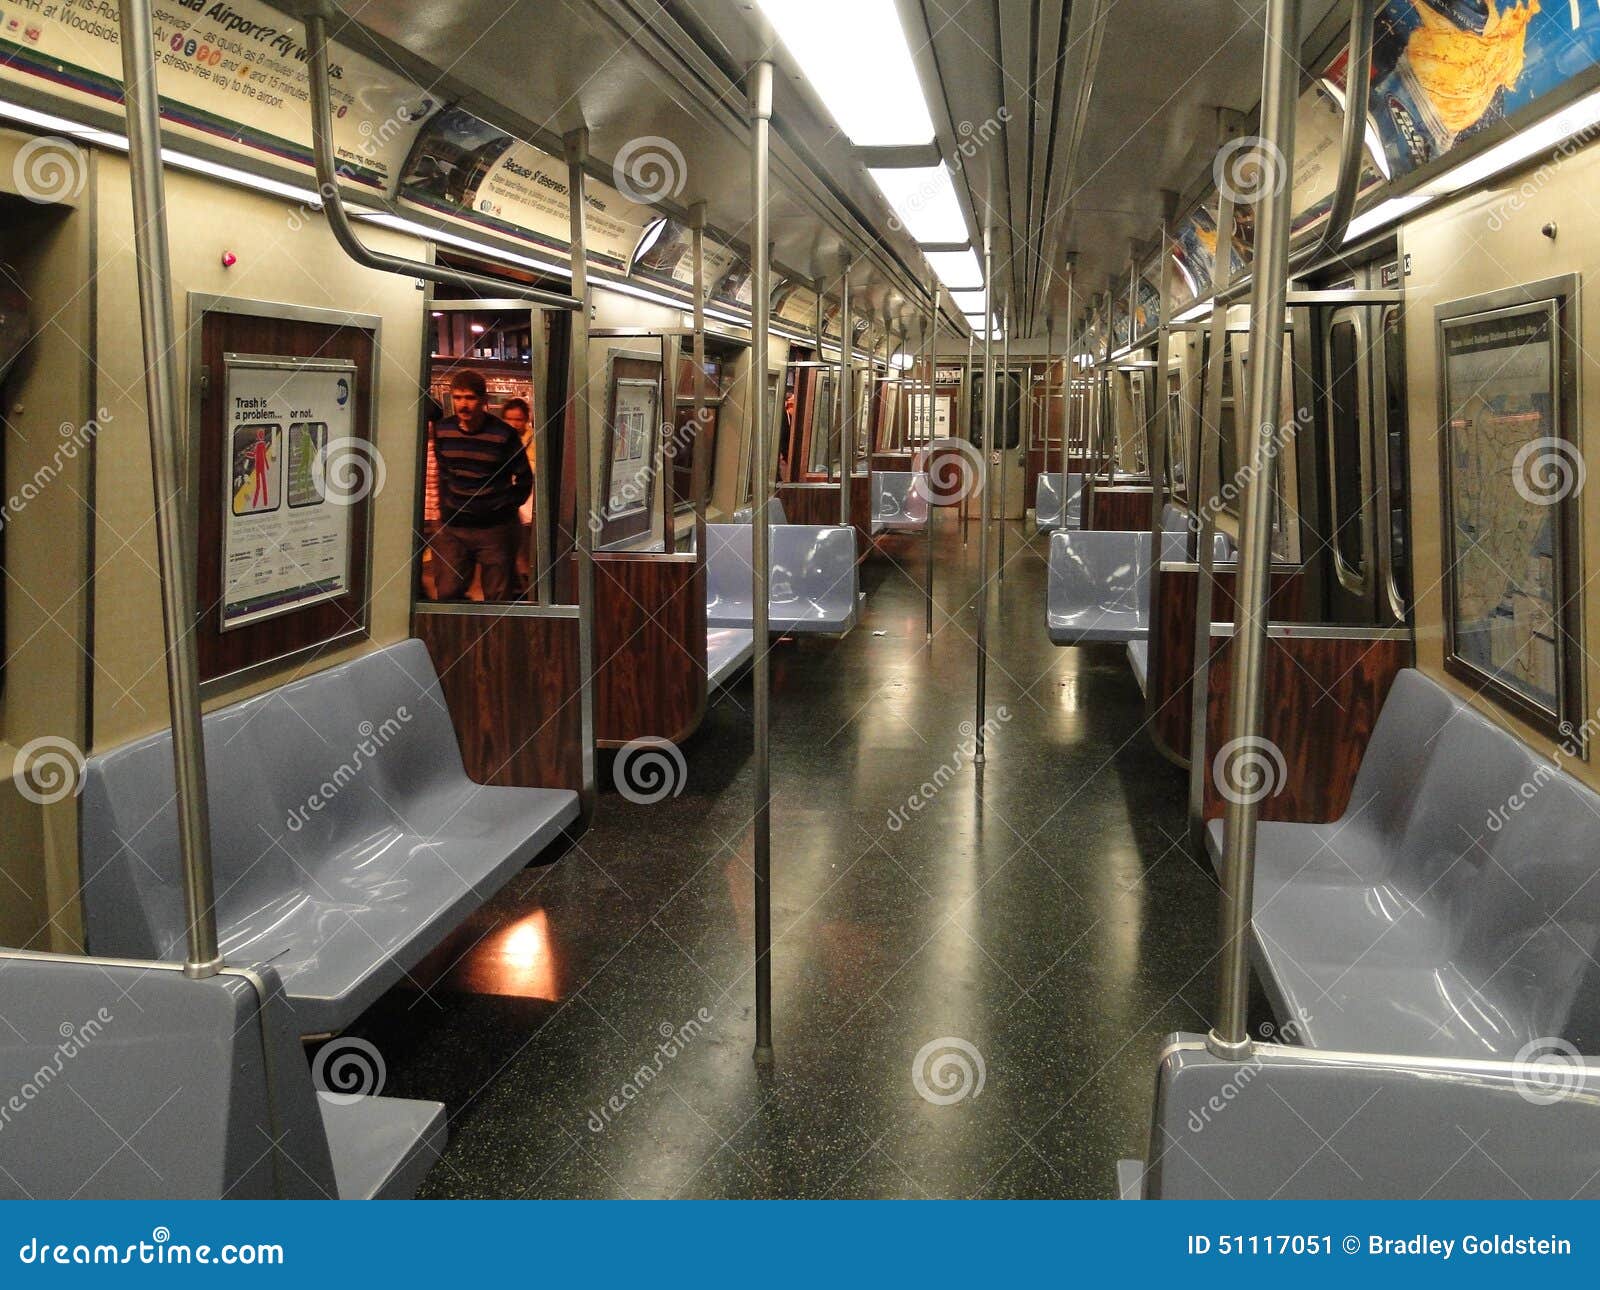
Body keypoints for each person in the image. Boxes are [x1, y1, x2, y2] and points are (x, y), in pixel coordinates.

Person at [428, 370, 532, 601]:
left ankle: (496, 637)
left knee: (497, 596)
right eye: (457, 397)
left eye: (470, 398)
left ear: (484, 401)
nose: (463, 404)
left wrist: (504, 508)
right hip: (454, 526)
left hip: (493, 528)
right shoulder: (443, 431)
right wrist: (444, 510)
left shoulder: (503, 434)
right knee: (448, 593)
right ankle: (458, 637)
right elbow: (444, 472)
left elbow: (524, 477)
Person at [500, 397, 536, 594]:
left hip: (528, 503)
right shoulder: (499, 439)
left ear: (526, 419)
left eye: (518, 419)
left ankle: (526, 587)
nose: (513, 424)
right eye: (509, 419)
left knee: (525, 546)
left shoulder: (535, 440)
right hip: (507, 502)